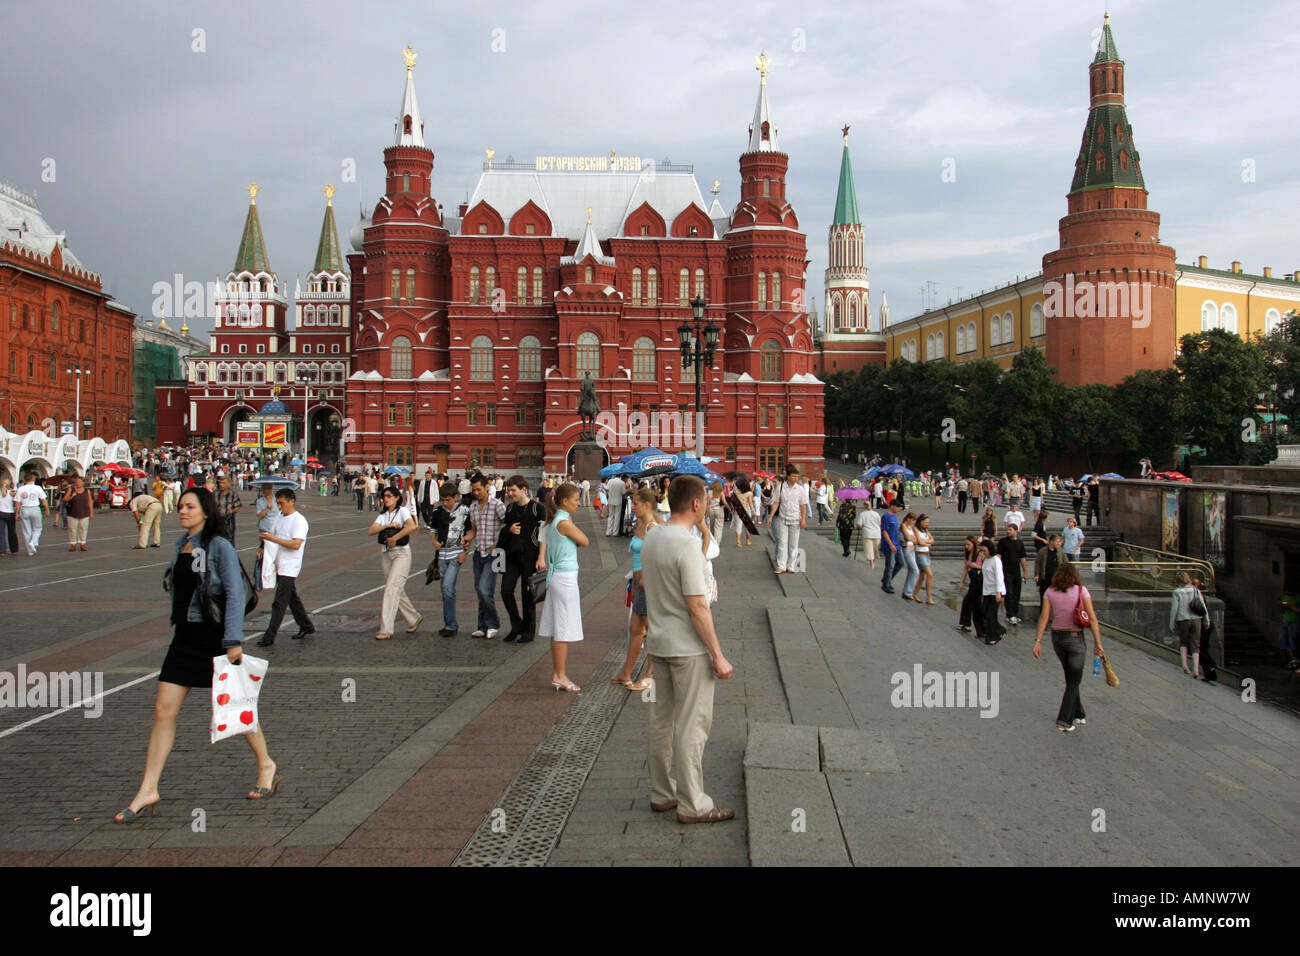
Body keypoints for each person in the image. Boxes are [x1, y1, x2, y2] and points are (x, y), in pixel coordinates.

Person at [115, 487, 278, 822]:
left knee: (237, 708)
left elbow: (234, 594)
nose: (182, 511)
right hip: (185, 638)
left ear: (205, 510)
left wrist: (233, 640)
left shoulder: (219, 546)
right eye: (180, 506)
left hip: (215, 638)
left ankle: (266, 765)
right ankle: (148, 789)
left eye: (189, 506)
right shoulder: (182, 545)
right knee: (163, 711)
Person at [641, 474, 734, 824]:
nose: (707, 506)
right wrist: (718, 654)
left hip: (659, 642)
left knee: (661, 720)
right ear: (696, 504)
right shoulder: (687, 546)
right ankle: (694, 803)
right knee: (693, 725)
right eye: (706, 501)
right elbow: (698, 606)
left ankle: (661, 792)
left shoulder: (653, 536)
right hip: (688, 648)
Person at [1034, 561, 1104, 732]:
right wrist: (1098, 643)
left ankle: (1079, 713)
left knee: (1070, 675)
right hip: (1075, 639)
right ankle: (1064, 720)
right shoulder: (1081, 591)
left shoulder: (1050, 592)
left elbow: (1044, 617)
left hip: (1057, 638)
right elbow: (1092, 618)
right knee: (1074, 680)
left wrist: (1038, 641)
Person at [538, 482, 587, 691]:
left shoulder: (553, 520)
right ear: (565, 501)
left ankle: (559, 673)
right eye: (576, 500)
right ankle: (560, 675)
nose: (578, 503)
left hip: (557, 575)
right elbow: (584, 540)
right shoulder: (564, 522)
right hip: (565, 577)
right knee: (563, 629)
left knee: (558, 627)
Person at [614, 488, 659, 692]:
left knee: (653, 631)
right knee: (635, 630)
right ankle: (626, 673)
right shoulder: (640, 523)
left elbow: (658, 558)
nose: (632, 507)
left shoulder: (652, 526)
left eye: (636, 504)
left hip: (647, 584)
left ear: (647, 505)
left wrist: (646, 578)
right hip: (638, 582)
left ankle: (651, 674)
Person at [256, 488, 315, 646]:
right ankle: (306, 625)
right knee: (292, 598)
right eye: (278, 503)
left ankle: (269, 636)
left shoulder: (299, 521)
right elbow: (272, 535)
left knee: (279, 602)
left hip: (290, 566)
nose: (280, 506)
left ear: (291, 501)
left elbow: (296, 544)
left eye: (281, 503)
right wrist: (262, 545)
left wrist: (274, 539)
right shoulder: (279, 518)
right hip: (279, 563)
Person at [368, 485, 421, 640]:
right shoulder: (383, 515)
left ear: (397, 497)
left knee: (391, 590)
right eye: (384, 496)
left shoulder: (403, 511)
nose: (386, 499)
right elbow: (371, 531)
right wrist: (387, 525)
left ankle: (386, 629)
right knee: (396, 589)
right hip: (386, 555)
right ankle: (413, 618)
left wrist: (395, 538)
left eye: (389, 496)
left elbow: (412, 526)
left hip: (401, 554)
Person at [499, 475, 547, 643]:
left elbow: (543, 534)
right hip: (512, 556)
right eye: (508, 490)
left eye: (513, 490)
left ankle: (529, 630)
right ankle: (517, 625)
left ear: (524, 489)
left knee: (527, 595)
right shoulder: (510, 508)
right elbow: (505, 528)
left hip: (530, 556)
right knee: (505, 591)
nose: (510, 493)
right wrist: (509, 529)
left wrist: (541, 557)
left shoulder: (537, 508)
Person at [428, 482, 474, 637]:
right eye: (443, 500)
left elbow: (470, 531)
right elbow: (433, 529)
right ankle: (449, 623)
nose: (445, 503)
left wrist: (466, 550)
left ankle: (451, 625)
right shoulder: (437, 511)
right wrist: (434, 541)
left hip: (456, 553)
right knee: (445, 590)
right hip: (442, 554)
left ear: (456, 497)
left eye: (448, 500)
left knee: (448, 587)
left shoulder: (465, 511)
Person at [467, 473, 505, 639]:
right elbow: (474, 530)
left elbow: (506, 525)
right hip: (478, 553)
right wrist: (467, 539)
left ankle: (493, 624)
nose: (476, 493)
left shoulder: (497, 505)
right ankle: (482, 626)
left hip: (494, 554)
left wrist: (498, 544)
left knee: (485, 589)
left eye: (478, 489)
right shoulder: (473, 507)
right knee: (480, 591)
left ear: (486, 487)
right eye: (473, 490)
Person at [768, 463, 808, 574]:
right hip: (783, 519)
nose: (796, 479)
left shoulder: (800, 489)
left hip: (795, 519)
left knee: (793, 544)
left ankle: (791, 566)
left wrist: (803, 519)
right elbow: (776, 503)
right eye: (794, 476)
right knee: (782, 543)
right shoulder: (780, 488)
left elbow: (803, 505)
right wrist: (771, 516)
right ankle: (781, 566)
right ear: (788, 476)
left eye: (797, 477)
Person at [1169, 571, 1210, 677]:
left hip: (1183, 620)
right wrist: (1206, 620)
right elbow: (1203, 607)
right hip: (1196, 619)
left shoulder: (1177, 592)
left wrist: (1171, 623)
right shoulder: (1196, 590)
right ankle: (1196, 670)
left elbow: (1174, 609)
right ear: (1188, 579)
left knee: (1183, 642)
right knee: (1196, 644)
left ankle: (1185, 666)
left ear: (1178, 580)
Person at [997, 524, 1028, 626]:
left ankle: (1014, 613)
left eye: (1010, 530)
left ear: (1016, 531)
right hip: (1006, 571)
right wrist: (998, 570)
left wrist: (1025, 571)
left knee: (1016, 593)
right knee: (1009, 592)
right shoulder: (1003, 541)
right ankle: (1010, 614)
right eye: (1008, 530)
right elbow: (999, 556)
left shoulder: (1020, 542)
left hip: (1016, 572)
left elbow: (1022, 558)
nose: (1008, 531)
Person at [979, 539, 1006, 645]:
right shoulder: (986, 560)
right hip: (987, 591)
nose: (983, 553)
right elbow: (985, 577)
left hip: (996, 591)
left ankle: (992, 637)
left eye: (984, 551)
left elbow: (999, 577)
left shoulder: (996, 560)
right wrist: (983, 592)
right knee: (984, 613)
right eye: (981, 551)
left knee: (991, 615)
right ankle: (999, 630)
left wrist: (998, 592)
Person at [15, 473, 49, 555]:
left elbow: (17, 502)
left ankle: (29, 551)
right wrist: (47, 509)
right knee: (37, 528)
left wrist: (16, 513)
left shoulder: (20, 489)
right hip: (35, 509)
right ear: (33, 479)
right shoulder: (37, 488)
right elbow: (43, 500)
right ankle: (33, 542)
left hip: (24, 509)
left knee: (26, 530)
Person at [957, 535, 983, 634]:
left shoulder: (979, 554)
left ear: (974, 544)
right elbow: (965, 568)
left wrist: (974, 565)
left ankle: (967, 624)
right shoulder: (967, 554)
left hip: (978, 581)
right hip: (972, 580)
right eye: (966, 544)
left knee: (967, 600)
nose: (966, 546)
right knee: (976, 604)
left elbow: (983, 566)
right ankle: (976, 628)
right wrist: (961, 582)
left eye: (968, 544)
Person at [62, 476, 94, 552]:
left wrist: (91, 512)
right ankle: (73, 544)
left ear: (83, 483)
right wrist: (72, 496)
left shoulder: (87, 491)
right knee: (72, 529)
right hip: (72, 513)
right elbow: (65, 499)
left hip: (84, 512)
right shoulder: (71, 489)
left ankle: (82, 543)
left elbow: (90, 502)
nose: (77, 483)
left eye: (79, 482)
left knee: (83, 528)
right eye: (76, 482)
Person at [1034, 533, 1070, 601]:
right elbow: (1038, 563)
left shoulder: (1061, 551)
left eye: (1059, 542)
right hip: (1045, 577)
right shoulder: (1042, 551)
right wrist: (1036, 575)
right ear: (1051, 542)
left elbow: (1066, 563)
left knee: (1057, 596)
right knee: (1044, 596)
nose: (1058, 543)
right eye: (1057, 541)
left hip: (1057, 577)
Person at [879, 500, 903, 592]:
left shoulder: (895, 516)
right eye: (897, 507)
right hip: (889, 544)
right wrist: (890, 544)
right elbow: (884, 531)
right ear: (892, 506)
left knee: (901, 562)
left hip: (896, 543)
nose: (899, 509)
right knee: (890, 565)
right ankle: (886, 585)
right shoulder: (886, 516)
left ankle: (887, 579)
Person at [915, 514, 936, 604]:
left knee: (922, 576)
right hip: (920, 554)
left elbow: (932, 540)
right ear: (921, 521)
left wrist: (926, 542)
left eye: (928, 522)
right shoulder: (916, 529)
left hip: (926, 554)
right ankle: (929, 597)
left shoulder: (925, 530)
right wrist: (927, 542)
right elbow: (919, 542)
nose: (927, 524)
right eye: (926, 522)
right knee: (930, 574)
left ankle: (915, 594)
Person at [899, 512, 920, 601]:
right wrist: (912, 538)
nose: (913, 522)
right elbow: (908, 538)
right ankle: (908, 592)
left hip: (912, 549)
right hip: (907, 549)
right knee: (915, 570)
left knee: (912, 570)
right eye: (912, 520)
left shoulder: (911, 527)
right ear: (908, 518)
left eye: (915, 520)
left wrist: (913, 538)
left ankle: (907, 591)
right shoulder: (903, 526)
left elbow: (916, 539)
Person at [855, 499, 882, 568]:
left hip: (867, 533)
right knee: (876, 549)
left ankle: (871, 563)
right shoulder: (876, 514)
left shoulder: (862, 514)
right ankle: (874, 561)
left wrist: (858, 526)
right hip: (876, 533)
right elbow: (880, 523)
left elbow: (859, 525)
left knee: (869, 549)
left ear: (865, 506)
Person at [216, 474, 242, 541]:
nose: (221, 485)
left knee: (229, 541)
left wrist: (232, 511)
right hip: (217, 522)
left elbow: (237, 506)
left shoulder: (233, 494)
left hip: (229, 522)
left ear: (228, 484)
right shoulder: (215, 494)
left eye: (223, 483)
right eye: (220, 483)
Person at [732, 477, 755, 548]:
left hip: (738, 510)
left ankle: (738, 541)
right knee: (747, 526)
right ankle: (748, 540)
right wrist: (754, 511)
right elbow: (750, 503)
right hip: (746, 510)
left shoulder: (736, 492)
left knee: (738, 526)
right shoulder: (749, 493)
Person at [1282, 586, 1300, 672]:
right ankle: (1294, 659)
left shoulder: (1298, 598)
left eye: (1287, 592)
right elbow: (1283, 608)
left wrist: (1292, 607)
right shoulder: (1285, 597)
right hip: (1286, 621)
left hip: (1295, 621)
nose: (1286, 594)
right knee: (1283, 641)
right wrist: (1282, 605)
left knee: (1293, 641)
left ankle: (1295, 659)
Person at [0, 476, 16, 557]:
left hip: (1, 512)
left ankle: (2, 550)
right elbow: (17, 502)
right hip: (10, 513)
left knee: (1, 533)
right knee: (12, 531)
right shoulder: (12, 493)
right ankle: (13, 548)